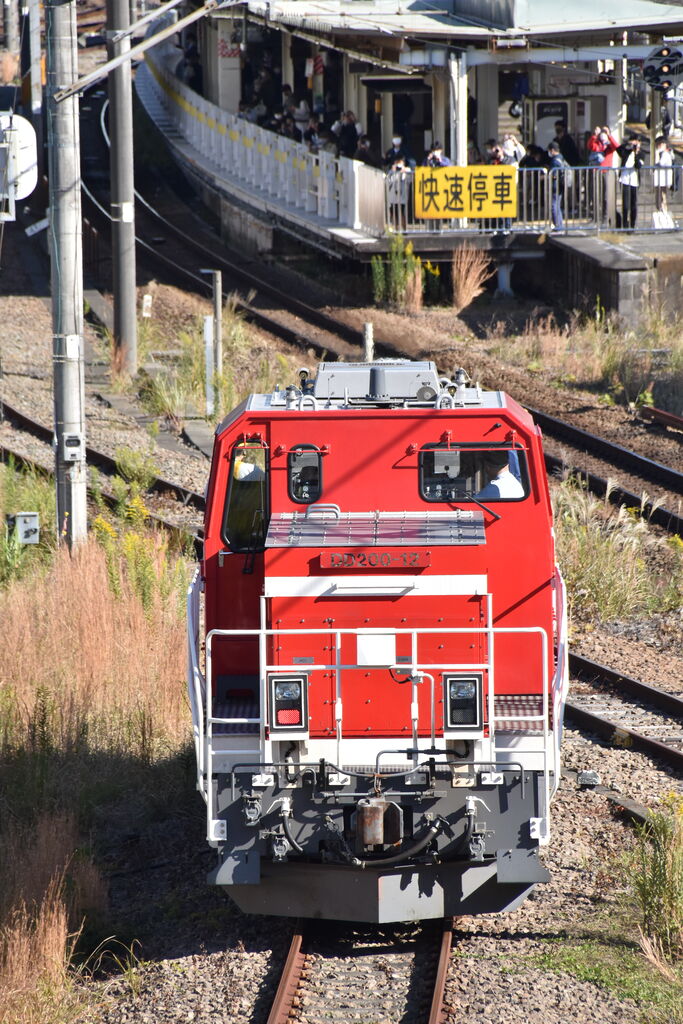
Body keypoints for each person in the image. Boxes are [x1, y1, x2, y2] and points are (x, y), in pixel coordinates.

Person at [617, 136, 643, 229]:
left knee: (633, 204)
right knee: (625, 204)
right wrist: (629, 145)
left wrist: (636, 153)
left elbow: (638, 165)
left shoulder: (640, 154)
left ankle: (632, 224)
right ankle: (625, 224)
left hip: (634, 180)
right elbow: (619, 149)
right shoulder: (626, 152)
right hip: (624, 179)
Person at [547, 141, 567, 230]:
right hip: (561, 184)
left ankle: (557, 225)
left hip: (556, 185)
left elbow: (554, 174)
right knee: (558, 205)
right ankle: (560, 224)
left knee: (554, 205)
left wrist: (546, 176)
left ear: (552, 150)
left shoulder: (555, 160)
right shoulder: (561, 158)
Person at [653, 135, 674, 213]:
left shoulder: (666, 154)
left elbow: (661, 163)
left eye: (660, 144)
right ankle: (660, 210)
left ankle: (663, 211)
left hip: (663, 179)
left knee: (662, 196)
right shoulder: (661, 153)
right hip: (659, 179)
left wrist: (657, 153)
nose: (658, 146)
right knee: (658, 196)